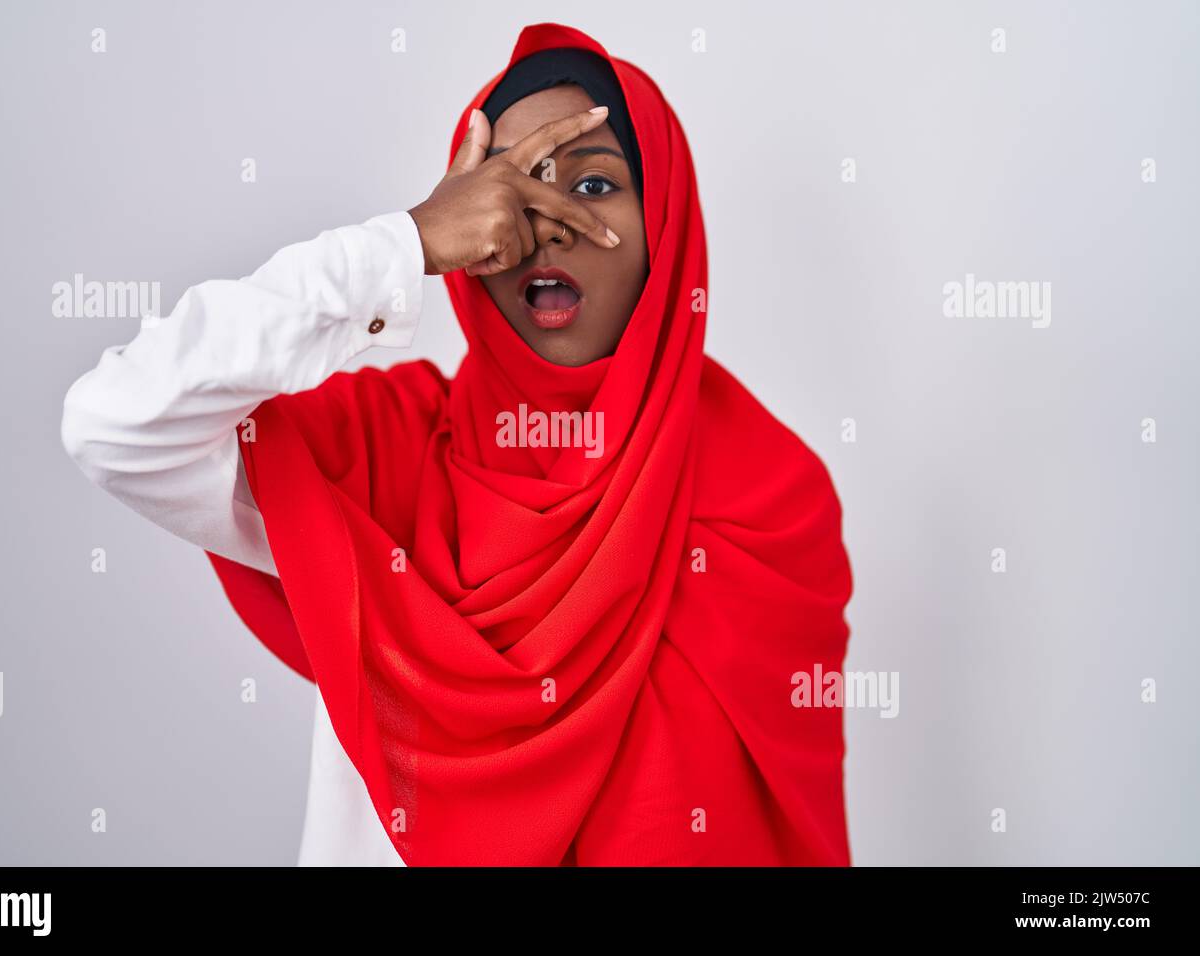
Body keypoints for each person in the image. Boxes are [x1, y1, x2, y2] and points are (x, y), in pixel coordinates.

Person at [60, 22, 855, 867]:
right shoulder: (376, 452)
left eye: (594, 183)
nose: (547, 224)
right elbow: (113, 422)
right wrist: (403, 244)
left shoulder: (769, 496)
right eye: (509, 189)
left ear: (666, 225)